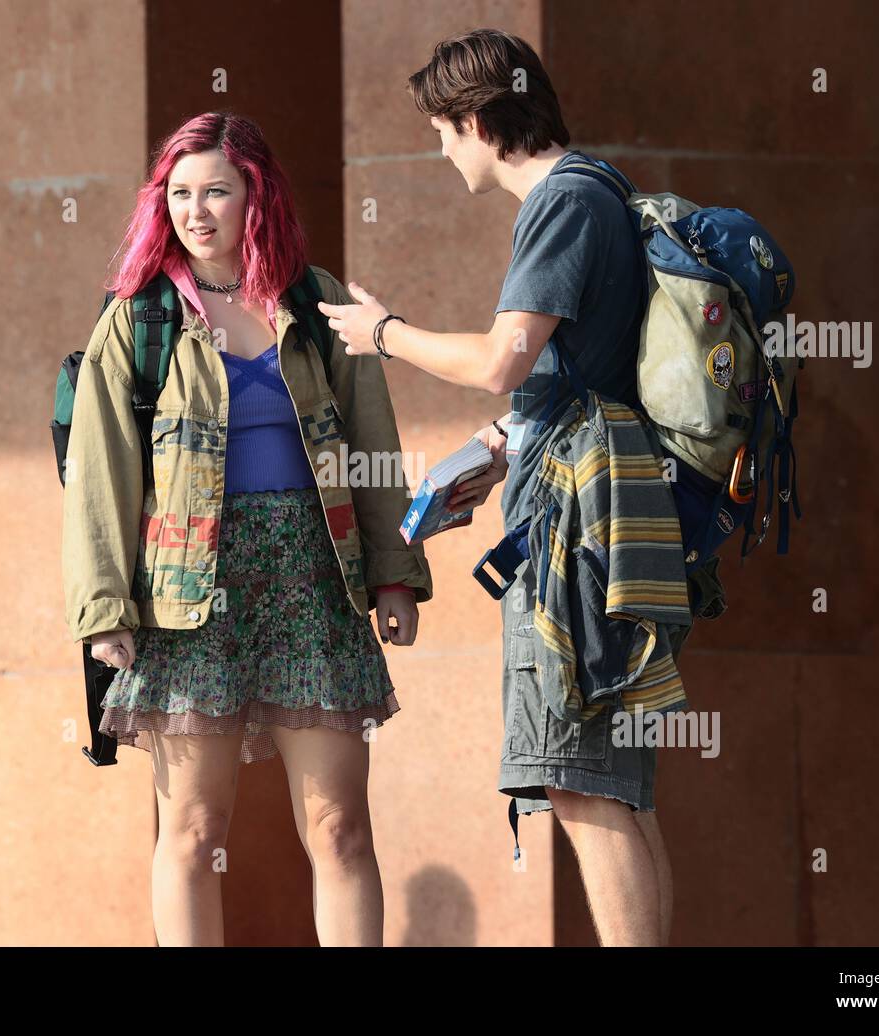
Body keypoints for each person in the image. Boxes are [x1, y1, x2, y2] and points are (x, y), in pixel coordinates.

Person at [319, 29, 724, 947]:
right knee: (615, 786)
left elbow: (506, 357)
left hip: (577, 530)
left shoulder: (561, 202)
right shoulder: (602, 193)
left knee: (581, 782)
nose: (441, 149)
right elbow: (571, 375)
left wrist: (386, 334)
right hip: (610, 510)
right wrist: (495, 449)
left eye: (442, 132)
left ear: (477, 120)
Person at [61, 111, 432, 946]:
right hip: (188, 589)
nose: (197, 211)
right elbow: (100, 476)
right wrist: (103, 608)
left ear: (254, 195)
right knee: (193, 834)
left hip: (314, 576)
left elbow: (373, 442)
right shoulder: (138, 320)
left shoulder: (320, 301)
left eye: (216, 191)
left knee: (341, 829)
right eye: (180, 193)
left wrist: (394, 572)